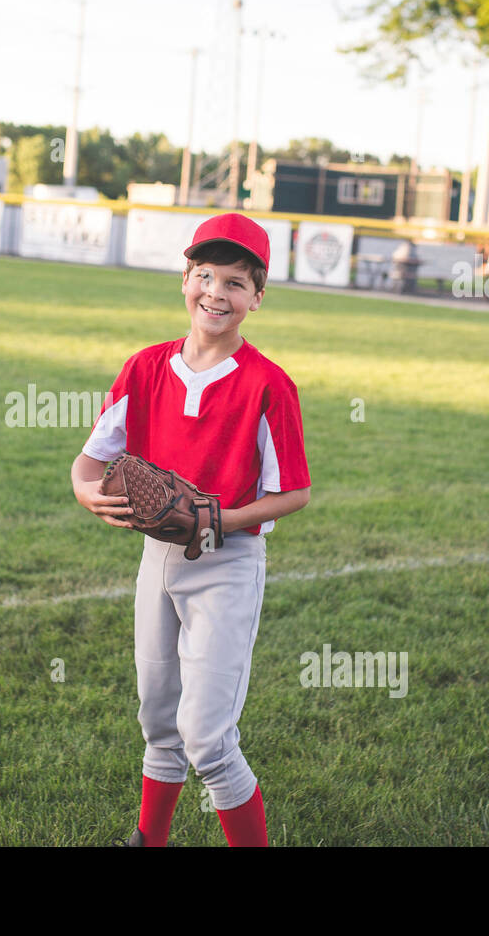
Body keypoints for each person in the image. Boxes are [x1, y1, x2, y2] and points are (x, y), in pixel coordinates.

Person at [70, 213, 312, 847]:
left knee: (207, 735)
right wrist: (85, 491)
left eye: (235, 283)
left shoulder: (268, 385)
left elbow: (294, 492)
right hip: (159, 557)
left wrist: (220, 519)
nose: (216, 293)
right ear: (185, 280)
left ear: (257, 298)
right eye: (205, 275)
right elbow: (92, 458)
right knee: (158, 719)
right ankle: (148, 841)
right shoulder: (145, 367)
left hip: (226, 564)